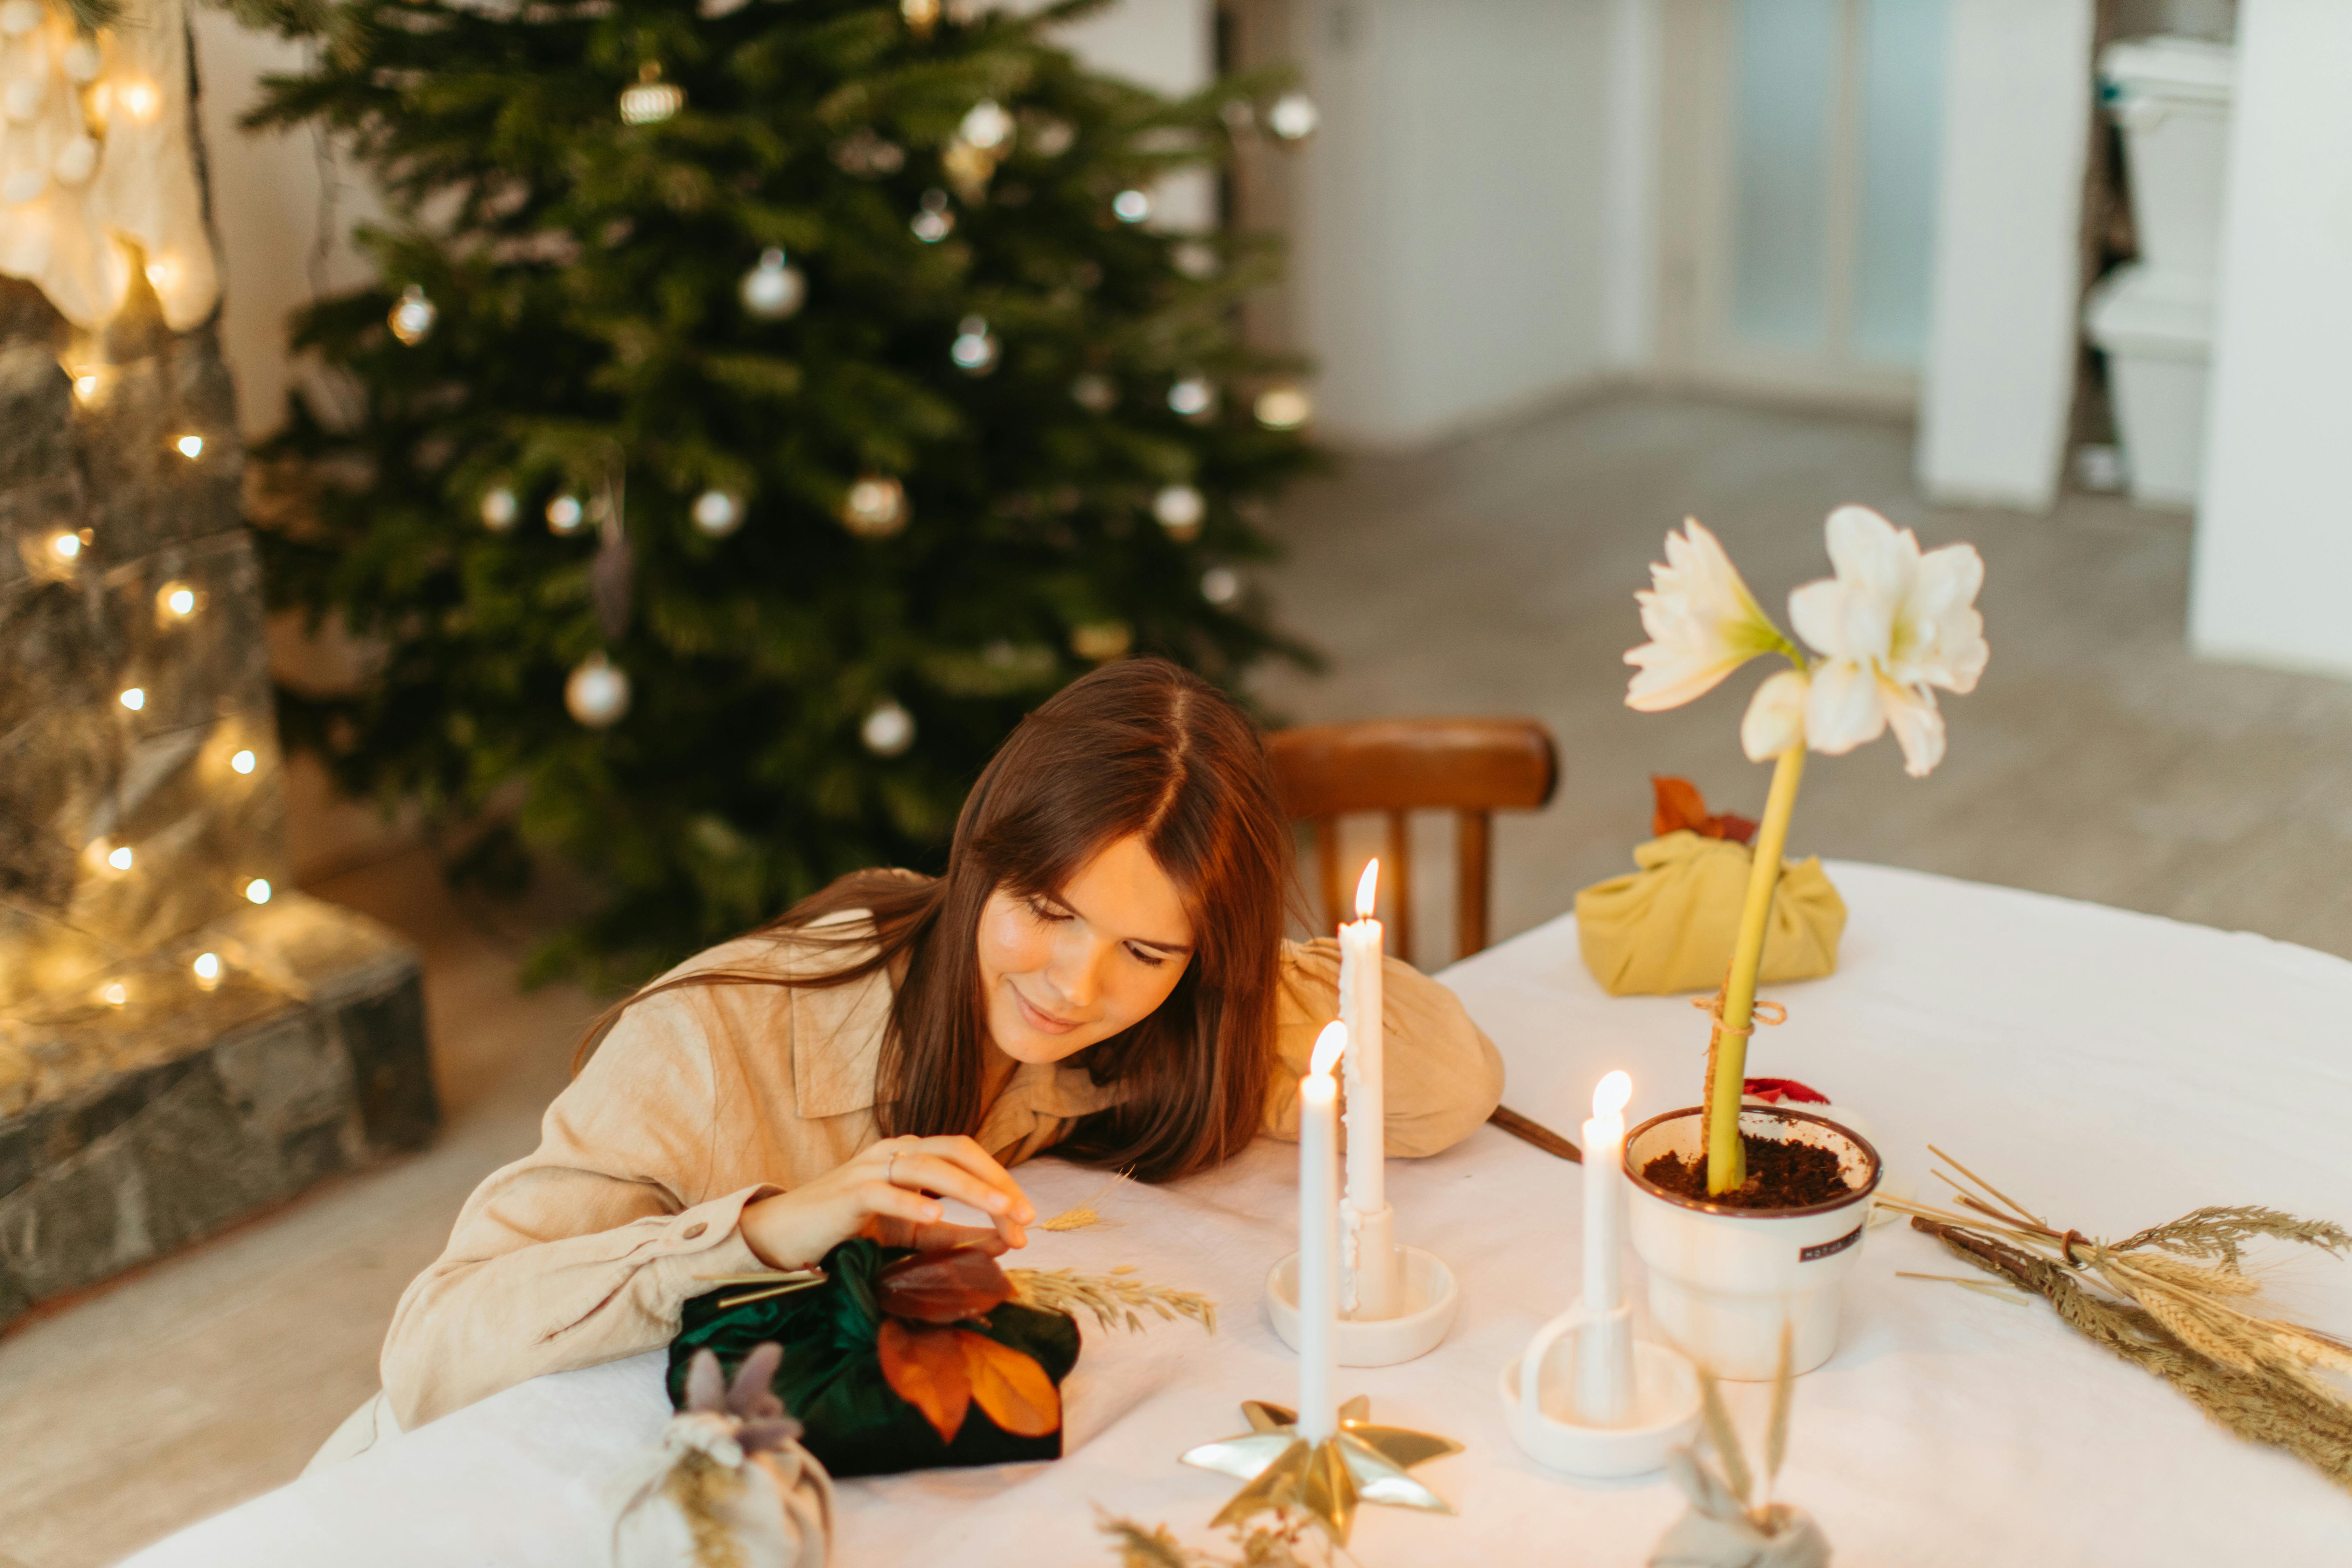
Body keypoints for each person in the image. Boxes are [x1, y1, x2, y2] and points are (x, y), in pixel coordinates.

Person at [365, 658, 1504, 1438]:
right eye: (1048, 912)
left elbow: (1450, 1090)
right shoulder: (722, 1038)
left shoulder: (1155, 1020)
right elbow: (426, 1360)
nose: (1077, 987)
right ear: (979, 858)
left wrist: (1232, 971)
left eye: (1146, 950)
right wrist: (763, 1228)